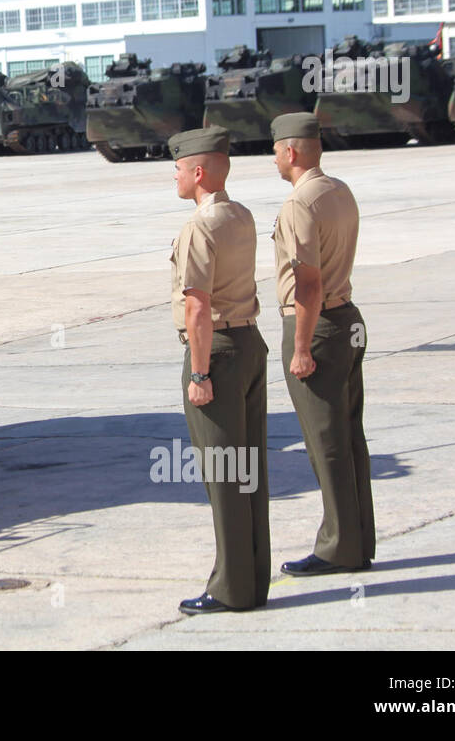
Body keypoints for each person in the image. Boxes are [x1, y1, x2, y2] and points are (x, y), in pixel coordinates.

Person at [168, 125, 269, 614]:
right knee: (249, 469)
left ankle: (231, 589)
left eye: (180, 169)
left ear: (199, 172)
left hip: (218, 351)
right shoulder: (241, 215)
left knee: (225, 473)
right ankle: (253, 579)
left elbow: (197, 308)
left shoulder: (199, 227)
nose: (175, 176)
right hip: (250, 342)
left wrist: (200, 374)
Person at [270, 111, 374, 576]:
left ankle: (337, 548)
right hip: (348, 316)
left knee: (325, 442)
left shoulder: (299, 203)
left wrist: (302, 346)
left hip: (319, 324)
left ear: (289, 151)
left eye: (275, 150)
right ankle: (358, 540)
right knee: (350, 437)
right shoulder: (339, 189)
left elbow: (307, 284)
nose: (274, 158)